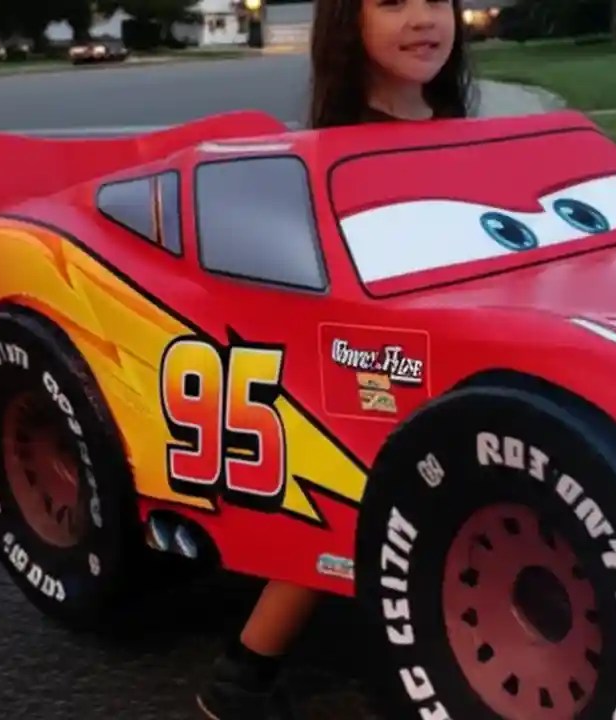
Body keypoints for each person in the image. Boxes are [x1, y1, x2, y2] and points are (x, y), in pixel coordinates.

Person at [194, 0, 474, 718]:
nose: (423, 18)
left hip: (461, 346)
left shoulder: (474, 134)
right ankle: (244, 671)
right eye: (392, 3)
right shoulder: (331, 150)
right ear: (347, 24)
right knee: (352, 487)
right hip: (365, 368)